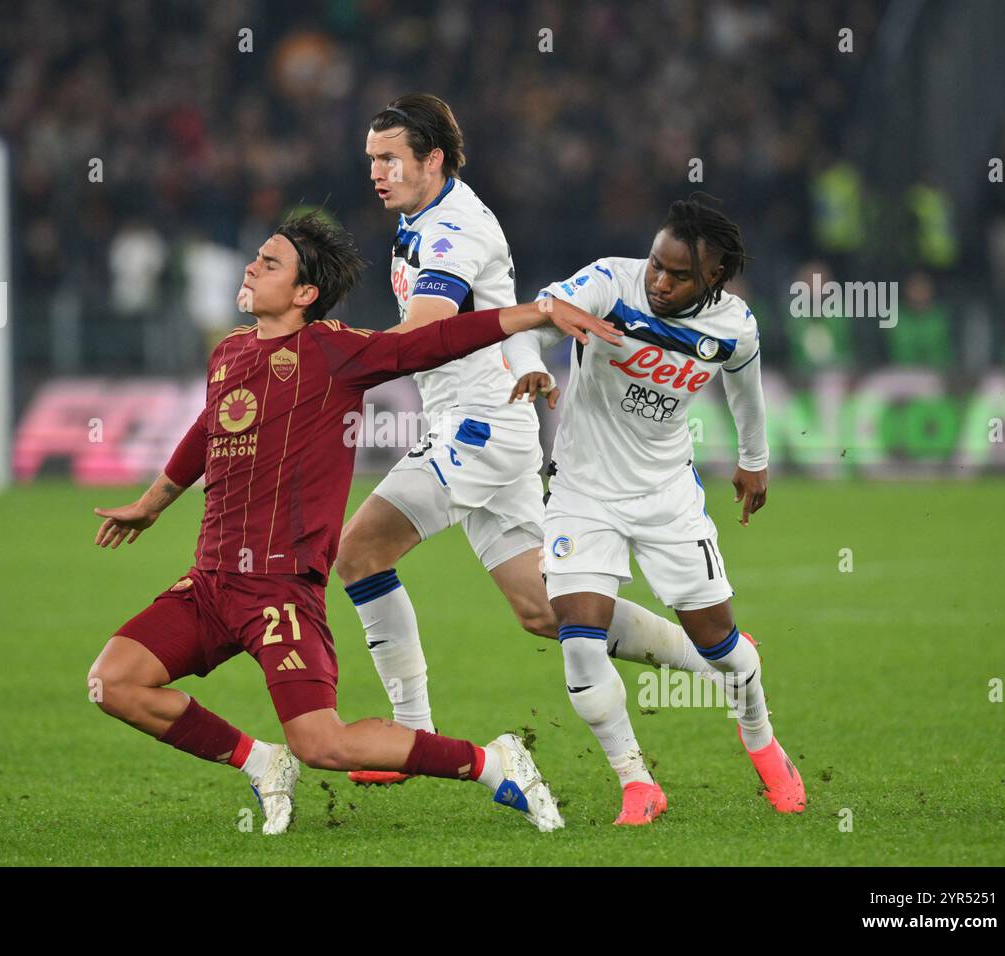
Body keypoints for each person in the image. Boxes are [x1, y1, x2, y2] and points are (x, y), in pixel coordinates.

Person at [87, 212, 621, 834]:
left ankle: (492, 762)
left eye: (269, 263)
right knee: (114, 682)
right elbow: (208, 429)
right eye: (256, 258)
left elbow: (431, 342)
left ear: (305, 293)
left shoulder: (331, 352)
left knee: (324, 744)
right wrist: (153, 503)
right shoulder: (229, 352)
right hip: (208, 585)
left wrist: (539, 312)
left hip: (279, 591)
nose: (250, 269)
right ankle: (260, 762)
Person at [338, 94, 723, 817]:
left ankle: (412, 734)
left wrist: (330, 346)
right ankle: (707, 654)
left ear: (434, 160)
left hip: (475, 430)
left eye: (390, 159)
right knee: (546, 611)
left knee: (358, 553)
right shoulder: (427, 215)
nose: (378, 173)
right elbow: (503, 302)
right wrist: (526, 354)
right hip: (497, 424)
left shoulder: (451, 228)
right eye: (371, 160)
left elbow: (421, 331)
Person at [503, 194, 806, 819]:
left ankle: (764, 745)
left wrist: (754, 460)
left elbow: (744, 390)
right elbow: (536, 315)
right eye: (656, 266)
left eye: (679, 274)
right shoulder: (612, 281)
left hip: (668, 496)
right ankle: (638, 783)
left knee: (719, 644)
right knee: (580, 644)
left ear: (715, 278)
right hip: (583, 491)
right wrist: (533, 365)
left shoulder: (734, 326)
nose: (660, 282)